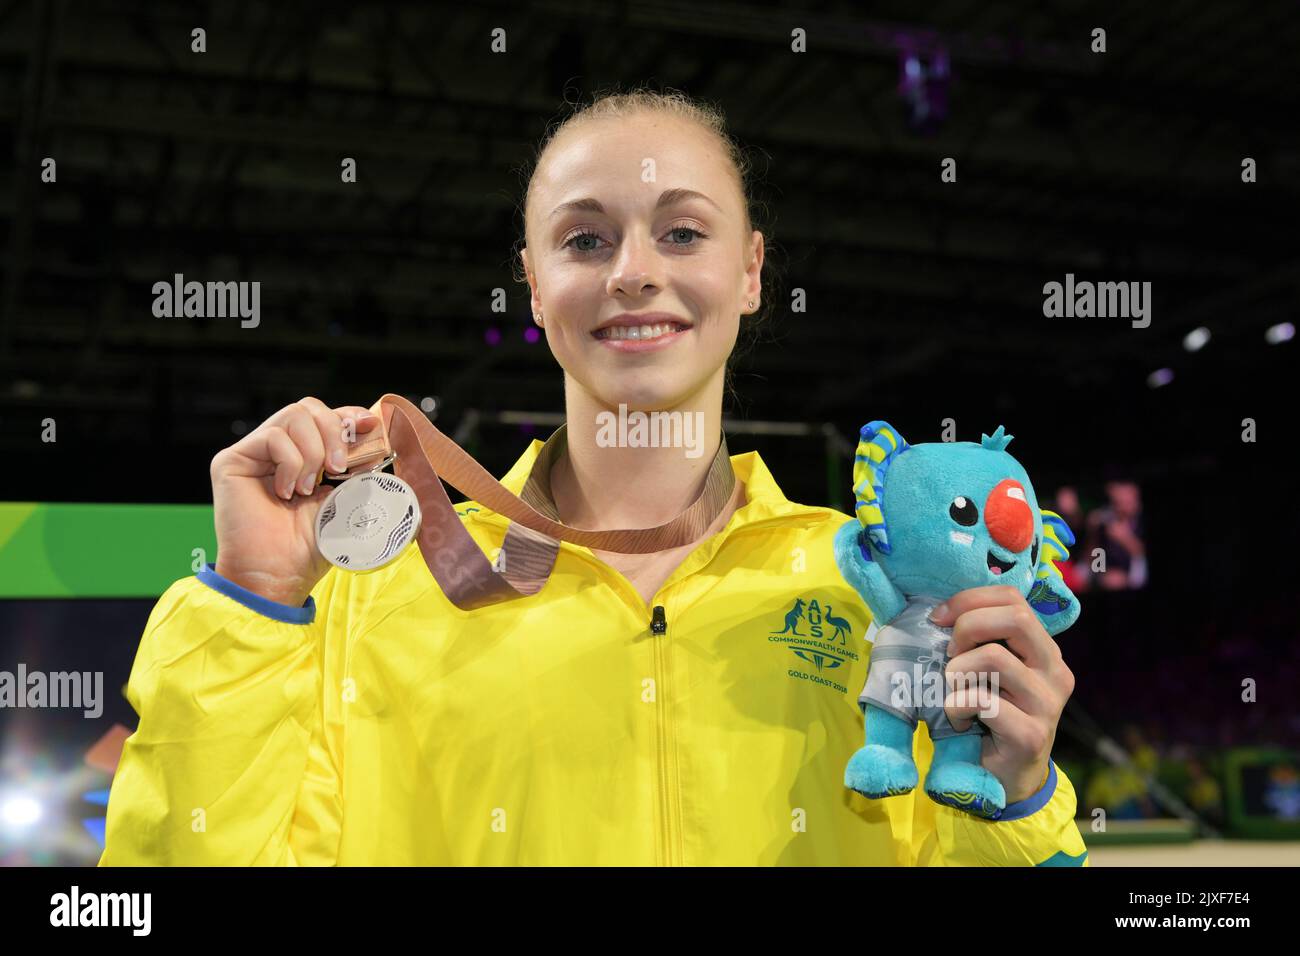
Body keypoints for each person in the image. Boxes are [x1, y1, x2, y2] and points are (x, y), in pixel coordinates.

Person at [99, 88, 1088, 866]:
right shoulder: (374, 593)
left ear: (749, 271)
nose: (631, 271)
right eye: (584, 238)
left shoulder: (870, 585)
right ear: (533, 283)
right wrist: (255, 602)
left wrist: (1021, 790)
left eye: (682, 231)